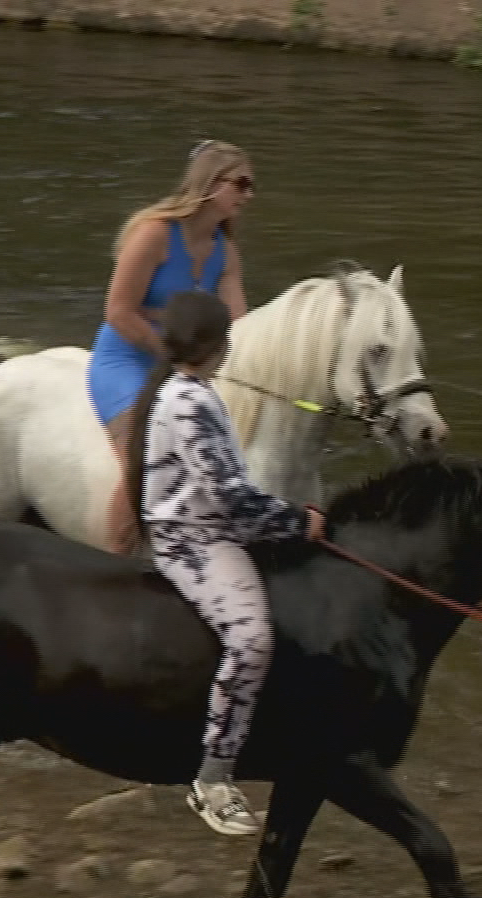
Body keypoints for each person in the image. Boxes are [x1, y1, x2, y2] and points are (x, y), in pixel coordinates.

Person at [131, 290, 326, 836]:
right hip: (193, 540)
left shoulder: (197, 392)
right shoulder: (189, 402)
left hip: (218, 526)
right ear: (216, 346)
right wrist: (298, 522)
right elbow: (231, 498)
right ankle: (212, 779)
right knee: (252, 640)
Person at [90, 139, 254, 554]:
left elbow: (238, 328)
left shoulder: (226, 254)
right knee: (142, 458)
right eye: (241, 184)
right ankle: (116, 557)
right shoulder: (154, 234)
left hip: (183, 368)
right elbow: (119, 312)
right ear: (211, 184)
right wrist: (174, 353)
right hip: (125, 361)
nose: (249, 195)